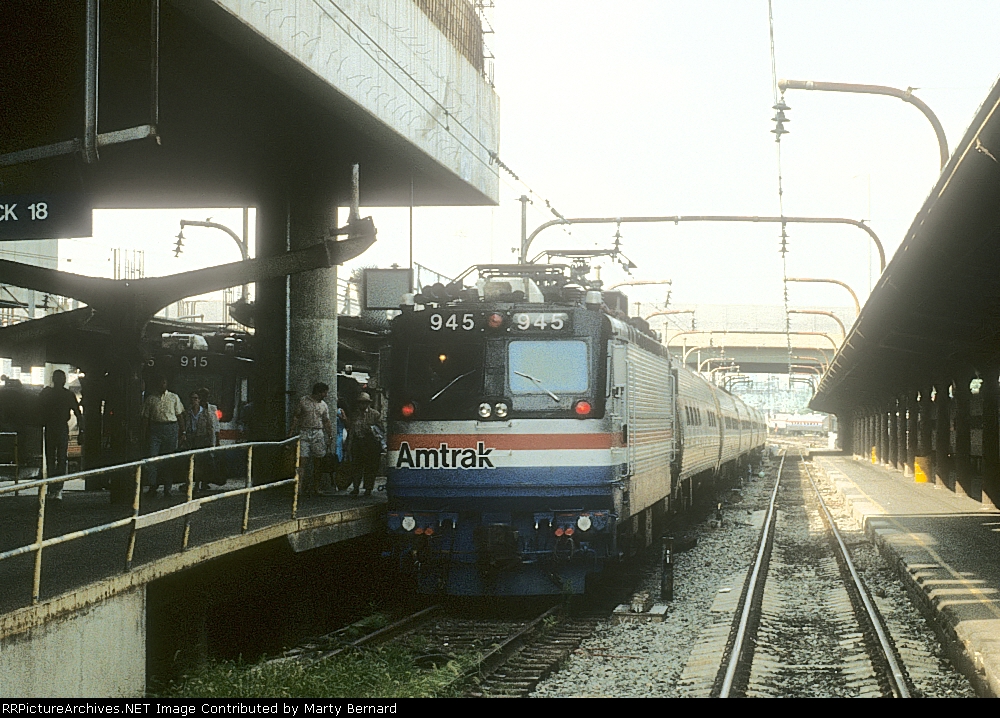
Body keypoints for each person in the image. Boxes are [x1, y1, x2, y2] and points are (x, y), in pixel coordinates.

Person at [38, 369, 82, 502]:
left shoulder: (47, 394)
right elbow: (78, 413)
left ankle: (52, 488)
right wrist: (82, 431)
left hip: (50, 427)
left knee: (50, 458)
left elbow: (38, 408)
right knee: (62, 458)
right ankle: (58, 489)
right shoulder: (68, 395)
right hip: (62, 428)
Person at [141, 376, 186, 497]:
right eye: (160, 382)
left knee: (168, 459)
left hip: (170, 427)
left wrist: (183, 431)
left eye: (164, 382)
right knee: (152, 458)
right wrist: (144, 433)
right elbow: (146, 417)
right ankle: (152, 485)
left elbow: (179, 415)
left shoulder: (173, 397)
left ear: (167, 384)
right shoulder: (151, 399)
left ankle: (167, 488)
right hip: (155, 428)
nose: (162, 384)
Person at [288, 382, 333, 497]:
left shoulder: (324, 405)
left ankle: (316, 487)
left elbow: (326, 421)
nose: (326, 395)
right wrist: (291, 432)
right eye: (325, 392)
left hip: (318, 432)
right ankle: (299, 487)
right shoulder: (303, 401)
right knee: (302, 461)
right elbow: (296, 416)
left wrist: (330, 435)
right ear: (319, 392)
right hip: (305, 431)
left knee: (318, 461)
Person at [346, 392, 384, 497]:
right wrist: (348, 446)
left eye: (364, 403)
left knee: (370, 467)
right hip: (358, 443)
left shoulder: (375, 414)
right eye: (360, 403)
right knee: (356, 466)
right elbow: (351, 431)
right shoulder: (354, 414)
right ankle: (356, 487)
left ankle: (368, 488)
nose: (362, 405)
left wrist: (371, 429)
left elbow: (381, 430)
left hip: (370, 443)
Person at [181, 391, 215, 493]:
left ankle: (197, 484)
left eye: (196, 398)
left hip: (202, 439)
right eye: (192, 398)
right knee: (188, 463)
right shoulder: (187, 413)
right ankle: (188, 484)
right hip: (190, 439)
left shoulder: (205, 413)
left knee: (200, 463)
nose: (194, 400)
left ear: (199, 400)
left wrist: (211, 442)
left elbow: (210, 427)